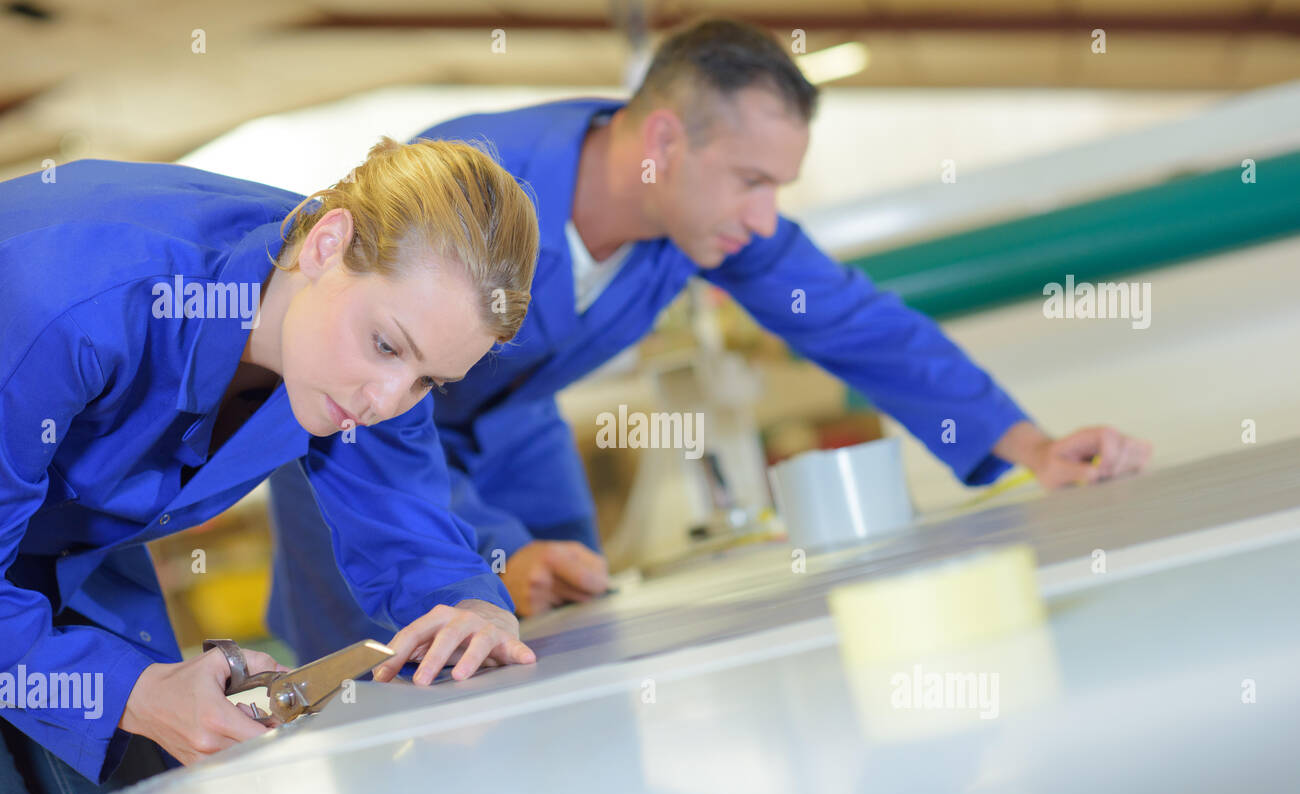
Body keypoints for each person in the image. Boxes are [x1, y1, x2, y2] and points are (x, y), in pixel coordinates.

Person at [265, 17, 1152, 661]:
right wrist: (490, 556)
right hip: (360, 442)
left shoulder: (696, 218)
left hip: (516, 434)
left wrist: (1029, 443)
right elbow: (374, 398)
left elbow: (853, 319)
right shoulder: (478, 189)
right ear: (664, 141)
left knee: (574, 642)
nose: (765, 215)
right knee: (400, 685)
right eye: (752, 179)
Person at [0, 136, 538, 794]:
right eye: (386, 346)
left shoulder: (370, 326)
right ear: (325, 244)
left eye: (429, 380)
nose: (387, 399)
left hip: (57, 543)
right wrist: (131, 689)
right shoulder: (68, 302)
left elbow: (409, 535)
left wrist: (476, 610)